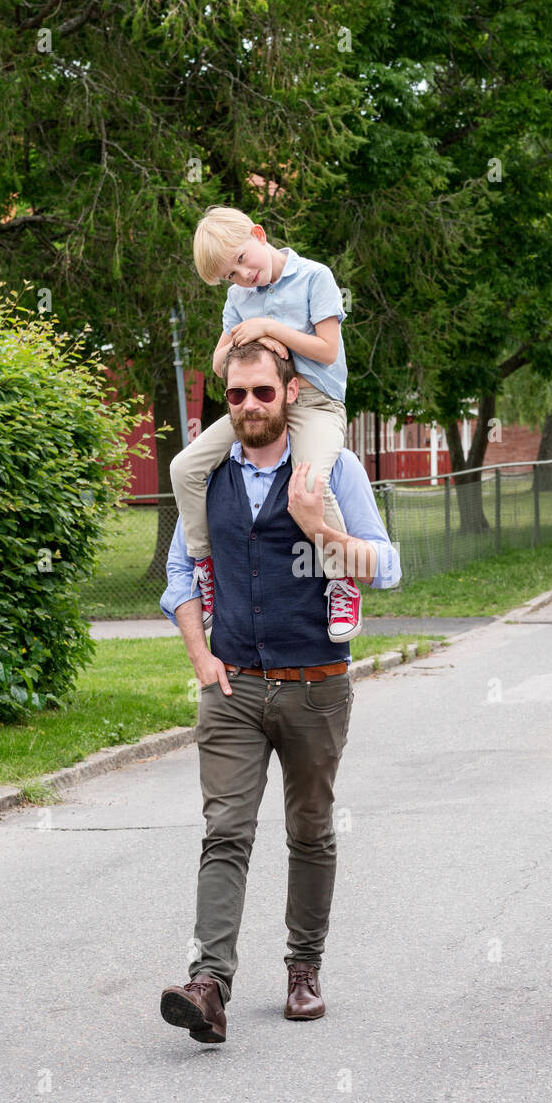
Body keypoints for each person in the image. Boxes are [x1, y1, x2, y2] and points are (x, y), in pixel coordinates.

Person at [159, 341, 401, 1045]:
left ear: (291, 392)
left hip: (315, 684)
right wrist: (201, 654)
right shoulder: (206, 477)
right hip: (233, 687)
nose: (249, 408)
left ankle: (303, 967)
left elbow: (385, 565)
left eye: (263, 393)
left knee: (311, 830)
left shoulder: (331, 468)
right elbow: (180, 571)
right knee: (225, 832)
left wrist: (318, 528)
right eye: (236, 397)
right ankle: (208, 985)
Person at [170, 205, 362, 642]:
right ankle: (206, 568)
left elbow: (327, 350)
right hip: (261, 400)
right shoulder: (239, 300)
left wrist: (269, 328)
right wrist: (256, 335)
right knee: (184, 468)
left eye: (241, 260)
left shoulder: (315, 277)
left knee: (310, 478)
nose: (242, 277)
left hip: (315, 403)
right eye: (230, 277)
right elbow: (221, 363)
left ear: (258, 235)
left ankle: (341, 581)